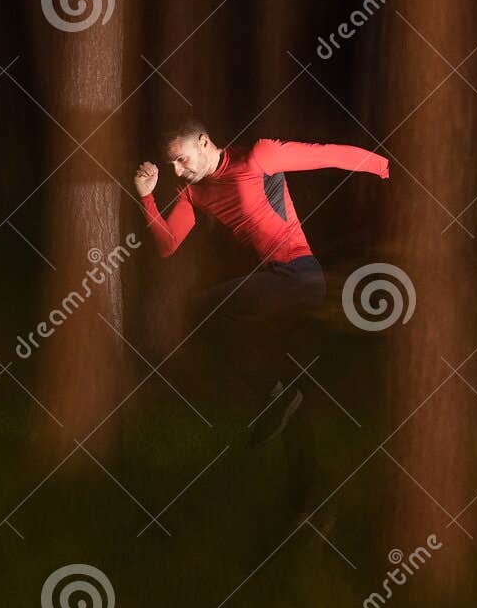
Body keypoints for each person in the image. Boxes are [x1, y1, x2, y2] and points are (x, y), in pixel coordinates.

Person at [133, 119, 390, 451]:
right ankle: (303, 486)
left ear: (204, 141)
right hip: (274, 284)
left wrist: (387, 168)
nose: (178, 172)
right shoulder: (193, 191)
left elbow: (328, 155)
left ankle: (277, 394)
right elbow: (168, 244)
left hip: (301, 276)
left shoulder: (257, 157)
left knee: (206, 310)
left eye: (182, 159)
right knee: (290, 386)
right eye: (172, 165)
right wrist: (147, 198)